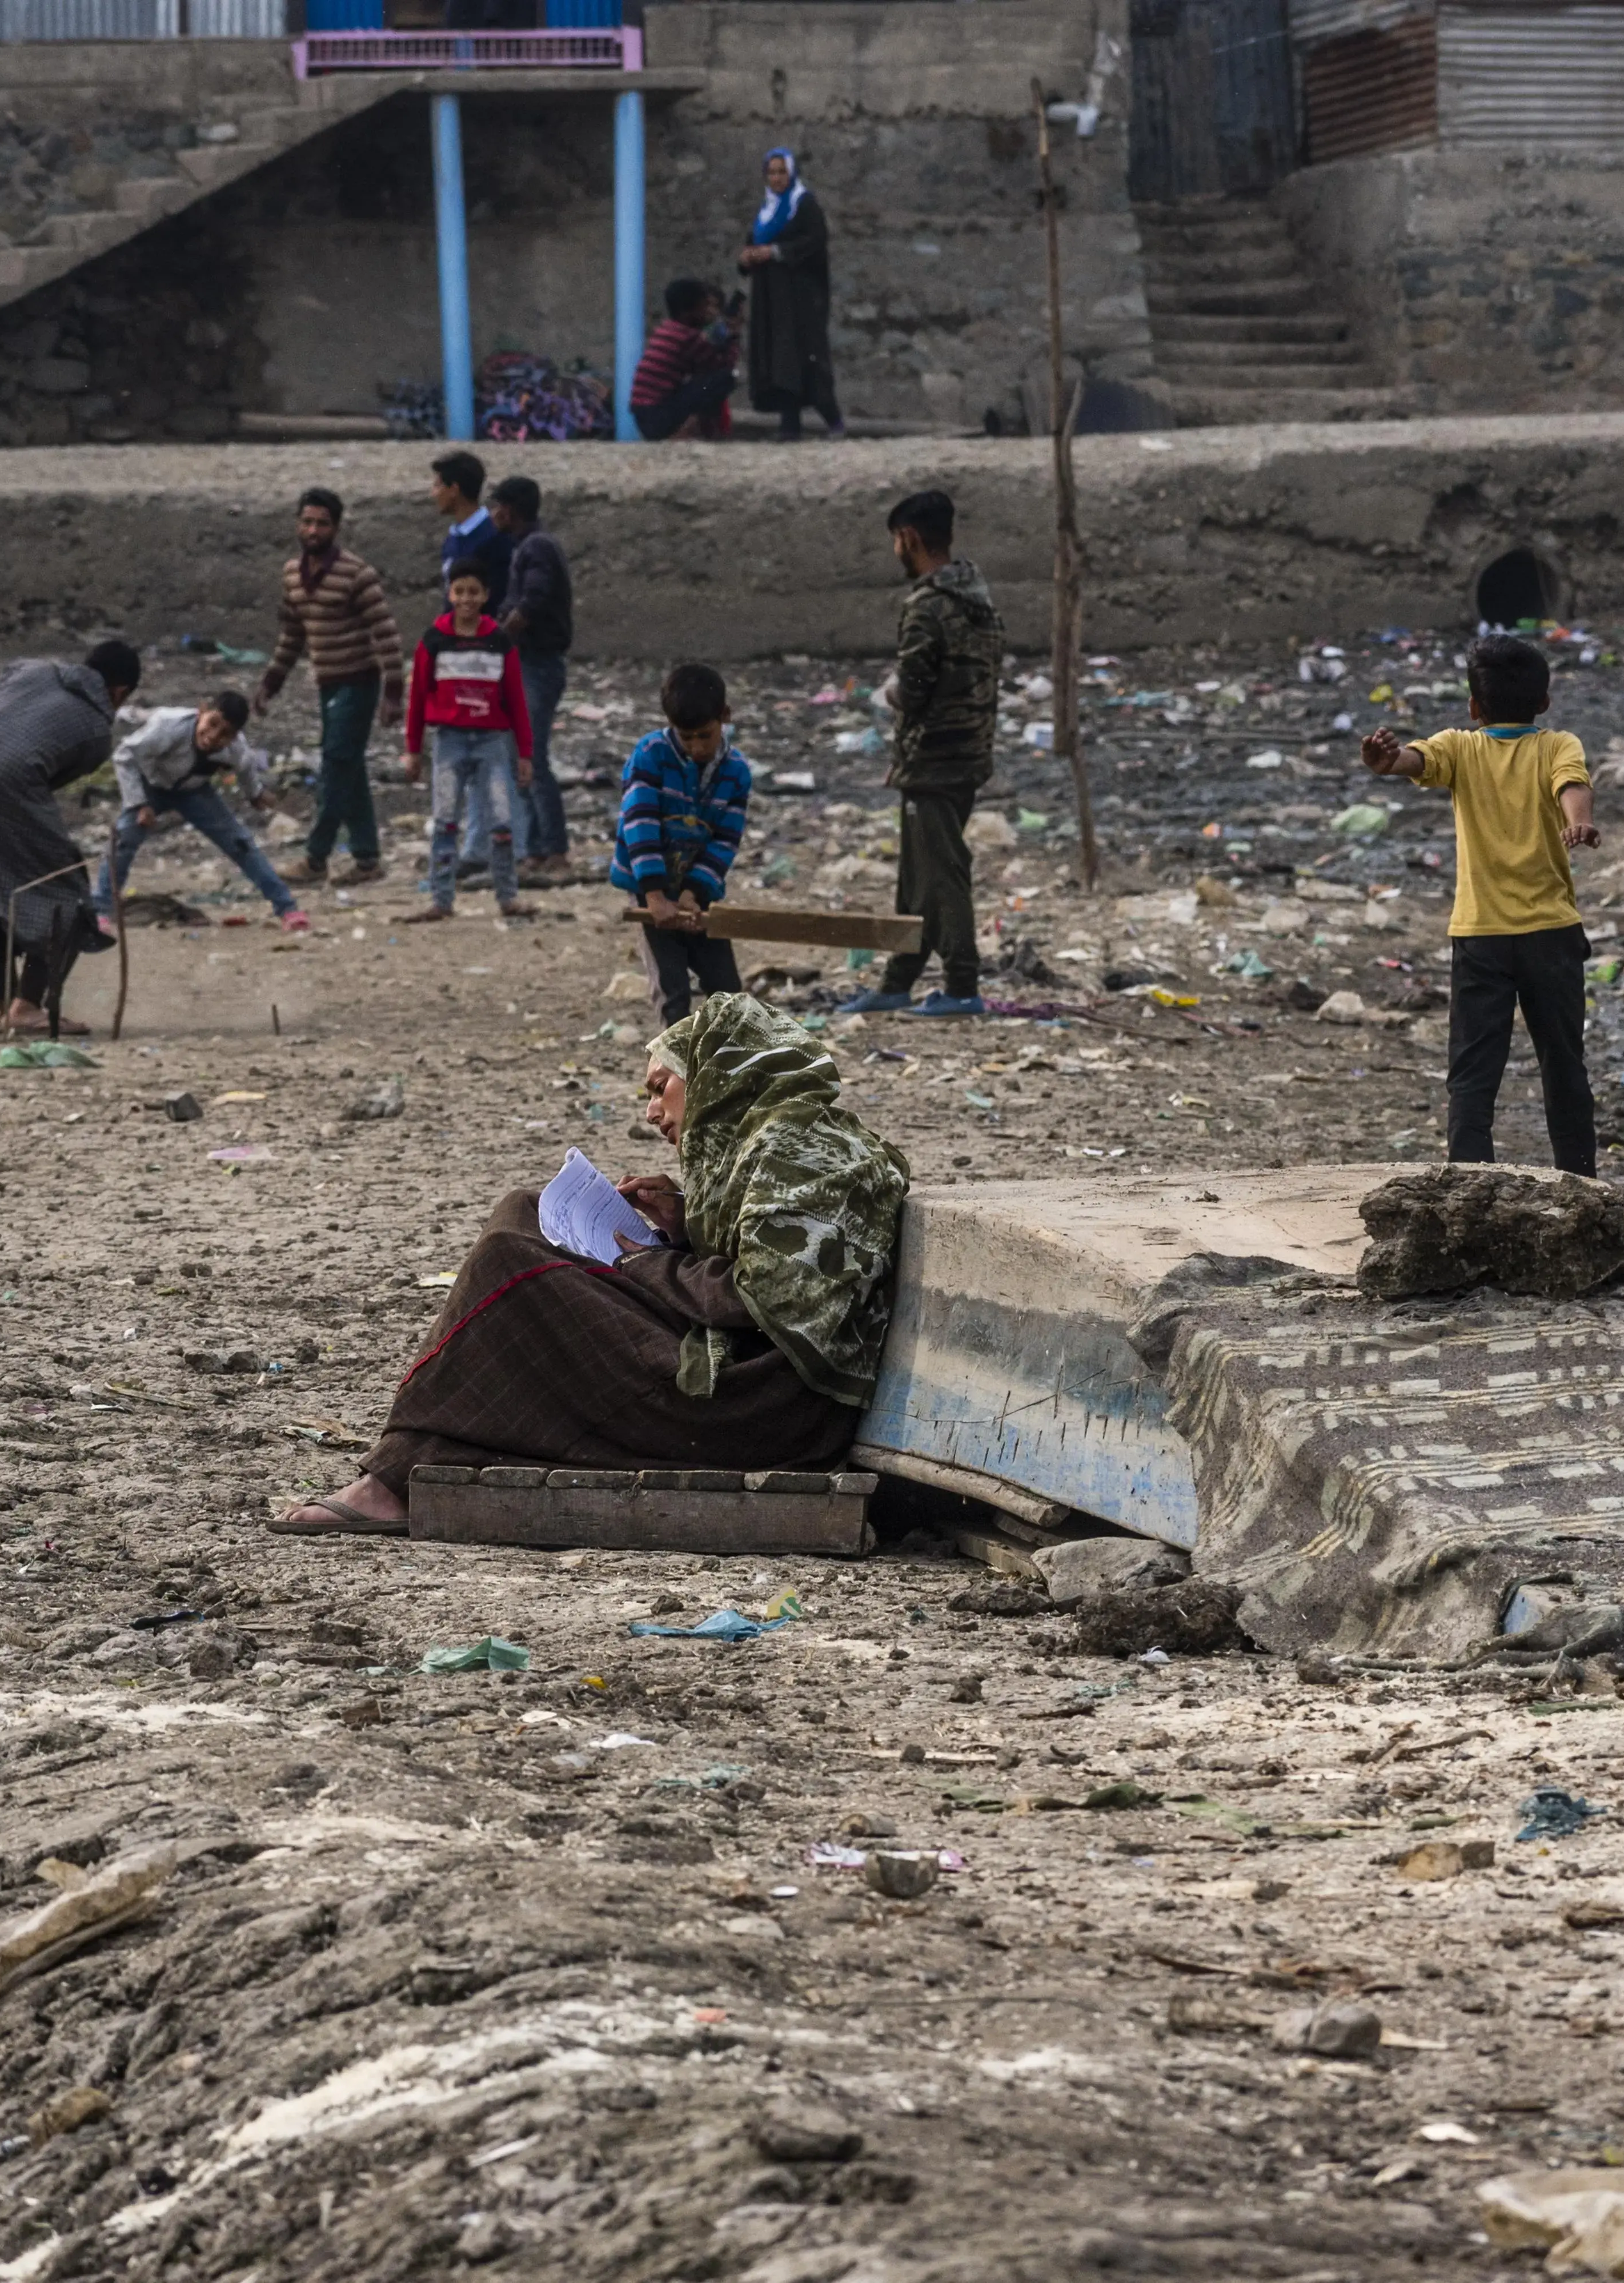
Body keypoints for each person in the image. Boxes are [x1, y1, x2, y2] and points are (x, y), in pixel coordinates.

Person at [276, 993, 910, 1535]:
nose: (652, 1111)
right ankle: (408, 1460)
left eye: (662, 1087)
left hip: (759, 1405)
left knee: (512, 1266)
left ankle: (393, 1476)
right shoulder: (776, 1141)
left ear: (721, 1077)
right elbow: (775, 1254)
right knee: (526, 1211)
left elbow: (765, 1299)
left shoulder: (806, 1153)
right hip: (741, 1370)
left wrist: (644, 1265)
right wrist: (682, 1223)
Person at [1358, 635, 1601, 1177]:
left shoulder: (1460, 747)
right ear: (1544, 701)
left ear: (1474, 707)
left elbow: (1413, 759)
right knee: (1564, 1065)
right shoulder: (1558, 744)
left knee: (1472, 1072)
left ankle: (1469, 1185)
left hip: (1481, 935)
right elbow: (1573, 786)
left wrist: (1385, 762)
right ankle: (1582, 1182)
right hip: (1551, 934)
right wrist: (1577, 823)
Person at [836, 490, 1000, 1019]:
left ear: (909, 538)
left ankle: (961, 982)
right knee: (918, 873)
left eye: (896, 542)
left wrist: (887, 696)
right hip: (965, 753)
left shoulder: (928, 606)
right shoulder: (978, 598)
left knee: (942, 872)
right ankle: (898, 979)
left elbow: (914, 687)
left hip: (935, 760)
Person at [0, 640, 140, 1034]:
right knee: (64, 889)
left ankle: (3, 1003)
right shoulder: (96, 730)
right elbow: (45, 782)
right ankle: (28, 1005)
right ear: (120, 693)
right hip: (8, 782)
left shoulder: (30, 668)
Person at [257, 487, 405, 887]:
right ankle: (368, 858)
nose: (313, 530)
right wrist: (271, 683)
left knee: (336, 765)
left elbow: (386, 633)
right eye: (307, 522)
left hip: (359, 682)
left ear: (336, 528)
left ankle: (316, 857)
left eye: (322, 523)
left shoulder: (357, 573)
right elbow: (292, 635)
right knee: (349, 767)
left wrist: (394, 692)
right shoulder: (292, 574)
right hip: (327, 684)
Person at [94, 688, 311, 937]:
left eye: (225, 734)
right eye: (212, 724)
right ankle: (99, 911)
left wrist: (255, 794)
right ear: (202, 712)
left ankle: (287, 909)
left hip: (194, 793)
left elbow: (246, 768)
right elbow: (124, 756)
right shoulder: (169, 726)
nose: (213, 737)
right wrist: (138, 804)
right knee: (123, 841)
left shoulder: (236, 750)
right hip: (149, 785)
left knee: (240, 843)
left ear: (235, 736)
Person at [612, 664, 754, 1022]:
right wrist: (656, 897)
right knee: (672, 990)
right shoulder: (651, 755)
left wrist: (694, 892)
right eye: (686, 737)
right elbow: (640, 826)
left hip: (698, 889)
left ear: (725, 717)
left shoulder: (736, 771)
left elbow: (725, 840)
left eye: (704, 736)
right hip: (651, 887)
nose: (695, 748)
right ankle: (674, 1073)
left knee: (726, 989)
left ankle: (728, 1070)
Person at [404, 564, 535, 923]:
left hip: (492, 742)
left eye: (473, 592)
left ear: (486, 596)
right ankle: (442, 900)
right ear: (450, 593)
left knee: (502, 821)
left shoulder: (499, 641)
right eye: (460, 591)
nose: (466, 599)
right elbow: (417, 697)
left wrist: (525, 752)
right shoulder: (435, 640)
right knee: (445, 820)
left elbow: (516, 701)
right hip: (449, 741)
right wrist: (413, 748)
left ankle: (508, 898)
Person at [490, 475, 574, 883]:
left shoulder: (536, 547)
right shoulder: (528, 547)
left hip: (537, 663)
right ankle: (538, 850)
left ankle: (555, 849)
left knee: (531, 758)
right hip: (530, 663)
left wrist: (503, 634)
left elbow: (532, 600)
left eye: (496, 508)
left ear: (510, 509)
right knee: (523, 757)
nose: (493, 516)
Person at [737, 149, 844, 442]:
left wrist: (776, 252)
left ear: (792, 173)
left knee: (806, 354)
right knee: (779, 358)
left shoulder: (803, 204)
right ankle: (790, 424)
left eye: (782, 172)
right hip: (771, 300)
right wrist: (747, 258)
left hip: (800, 300)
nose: (777, 178)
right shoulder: (766, 211)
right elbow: (753, 243)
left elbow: (815, 241)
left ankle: (834, 420)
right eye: (771, 173)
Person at [628, 277, 738, 442]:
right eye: (705, 306)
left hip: (643, 416)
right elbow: (720, 365)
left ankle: (696, 430)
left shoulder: (668, 329)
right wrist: (733, 335)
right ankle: (687, 432)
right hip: (658, 417)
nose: (709, 312)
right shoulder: (687, 337)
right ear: (689, 312)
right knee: (726, 378)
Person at [431, 450, 514, 609]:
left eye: (438, 486)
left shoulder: (494, 538)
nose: (433, 494)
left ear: (454, 490)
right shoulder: (453, 539)